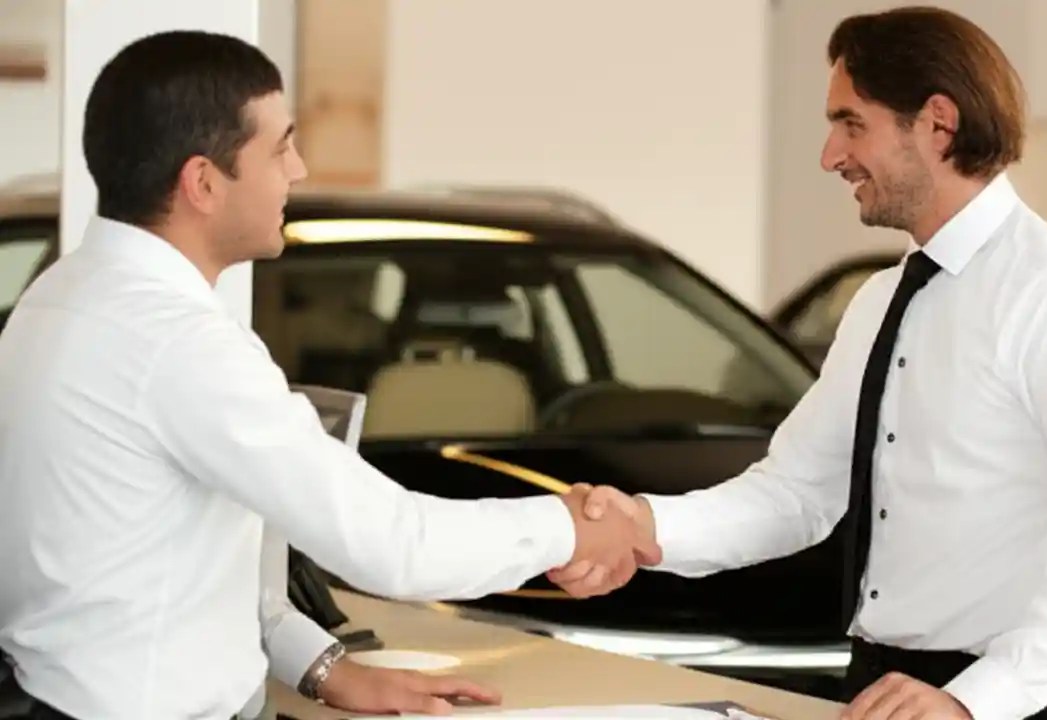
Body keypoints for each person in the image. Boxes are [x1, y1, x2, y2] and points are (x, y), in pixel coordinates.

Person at [0, 30, 656, 720]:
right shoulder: (179, 345)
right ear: (202, 183)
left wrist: (321, 668)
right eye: (280, 148)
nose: (300, 170)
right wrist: (571, 527)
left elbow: (164, 565)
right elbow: (394, 545)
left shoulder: (59, 297)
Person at [551, 7, 1047, 720]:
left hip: (994, 701)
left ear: (937, 123)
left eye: (852, 124)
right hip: (877, 684)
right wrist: (641, 525)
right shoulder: (881, 300)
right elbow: (795, 493)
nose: (829, 155)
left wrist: (972, 702)